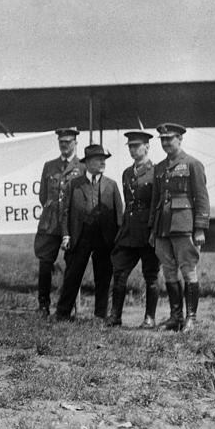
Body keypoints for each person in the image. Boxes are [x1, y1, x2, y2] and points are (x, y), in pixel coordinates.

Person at [149, 123, 209, 332]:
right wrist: (152, 230)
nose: (166, 143)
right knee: (169, 271)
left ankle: (191, 318)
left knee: (188, 270)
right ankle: (176, 317)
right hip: (162, 227)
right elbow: (155, 200)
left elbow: (201, 198)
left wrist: (200, 228)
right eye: (163, 139)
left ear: (180, 139)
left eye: (170, 139)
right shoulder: (159, 167)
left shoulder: (193, 164)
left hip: (184, 225)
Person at [54, 144, 123, 321]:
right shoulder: (74, 185)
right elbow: (65, 211)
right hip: (80, 236)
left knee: (103, 276)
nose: (102, 162)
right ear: (88, 162)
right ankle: (62, 313)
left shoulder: (111, 185)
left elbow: (118, 214)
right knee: (73, 275)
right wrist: (66, 234)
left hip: (104, 238)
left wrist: (117, 240)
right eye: (98, 159)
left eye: (104, 159)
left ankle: (100, 315)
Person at [107, 131, 160, 327]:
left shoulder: (156, 172)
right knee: (119, 273)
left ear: (147, 147)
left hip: (147, 232)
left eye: (136, 146)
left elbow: (156, 205)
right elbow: (128, 203)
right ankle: (115, 316)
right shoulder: (127, 174)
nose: (132, 149)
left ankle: (150, 318)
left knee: (151, 275)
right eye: (130, 146)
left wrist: (154, 231)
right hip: (129, 232)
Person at [33, 127, 84, 316]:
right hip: (50, 223)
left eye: (68, 142)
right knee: (45, 264)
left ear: (75, 143)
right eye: (61, 142)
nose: (64, 146)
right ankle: (43, 305)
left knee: (72, 266)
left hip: (71, 225)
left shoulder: (82, 167)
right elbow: (43, 196)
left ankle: (67, 307)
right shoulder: (49, 166)